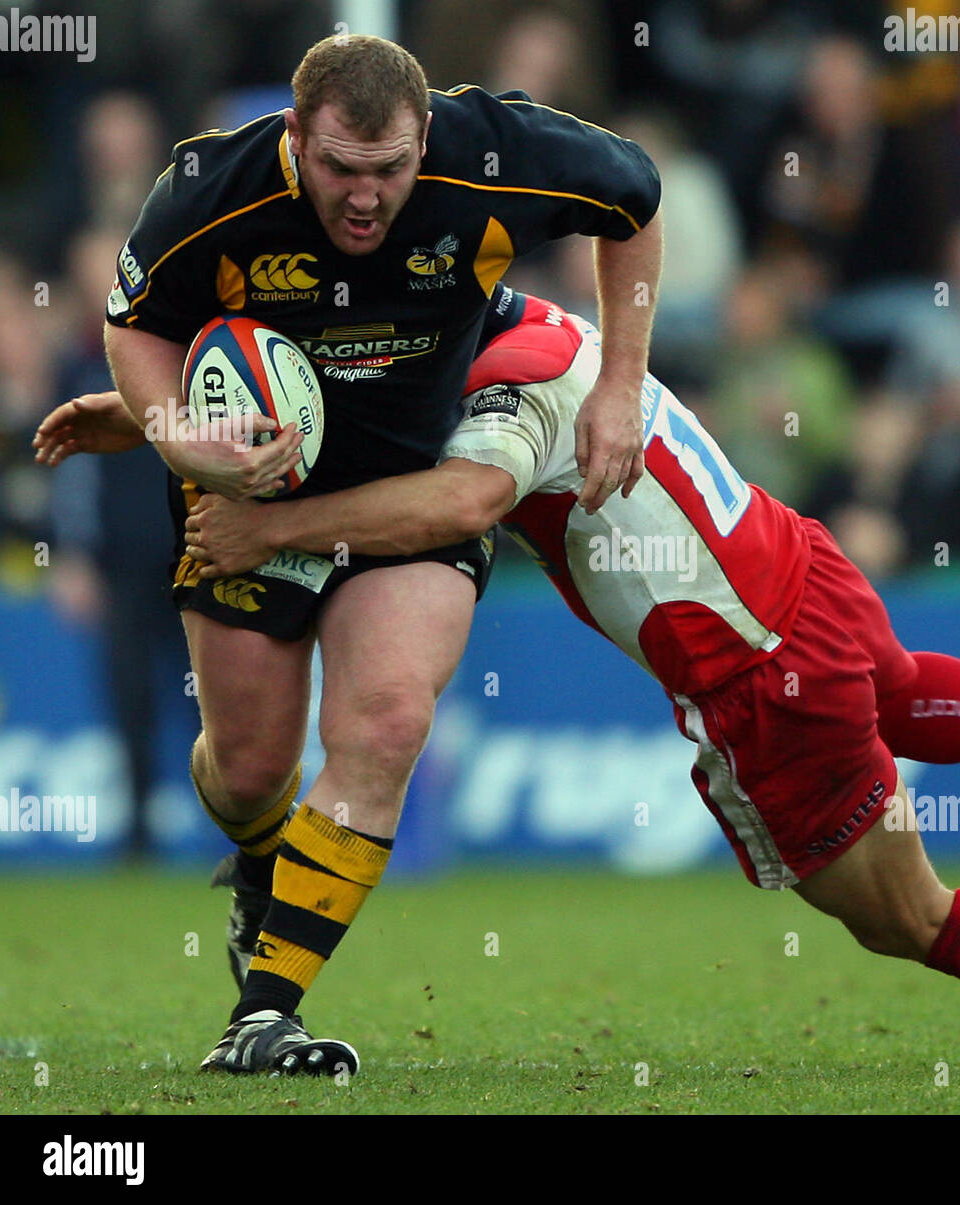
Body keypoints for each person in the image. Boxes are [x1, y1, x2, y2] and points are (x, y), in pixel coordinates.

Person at [40, 285, 960, 1071]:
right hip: (800, 566)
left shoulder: (495, 406)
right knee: (889, 684)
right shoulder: (535, 317)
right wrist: (145, 415)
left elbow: (456, 495)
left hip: (753, 676)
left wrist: (260, 529)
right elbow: (361, 386)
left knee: (911, 918)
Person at [91, 33, 662, 1075]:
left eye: (390, 170)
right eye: (341, 170)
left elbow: (636, 200)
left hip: (409, 495)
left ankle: (265, 1014)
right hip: (251, 490)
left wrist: (622, 381)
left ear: (426, 138)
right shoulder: (208, 187)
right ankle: (260, 858)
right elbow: (133, 325)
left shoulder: (493, 152)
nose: (365, 198)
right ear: (296, 137)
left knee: (390, 718)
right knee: (248, 771)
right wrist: (174, 431)